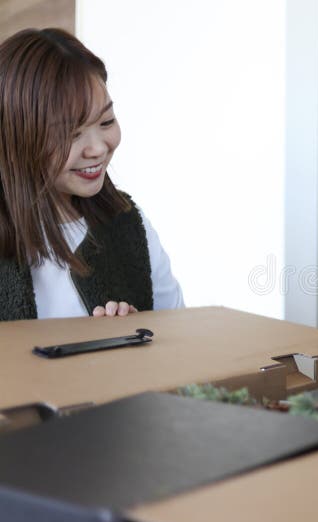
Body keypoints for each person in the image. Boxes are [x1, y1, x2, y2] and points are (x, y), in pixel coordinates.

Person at [0, 28, 183, 320]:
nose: (98, 148)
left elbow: (176, 339)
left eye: (106, 121)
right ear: (16, 137)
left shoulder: (129, 226)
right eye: (72, 134)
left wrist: (136, 339)